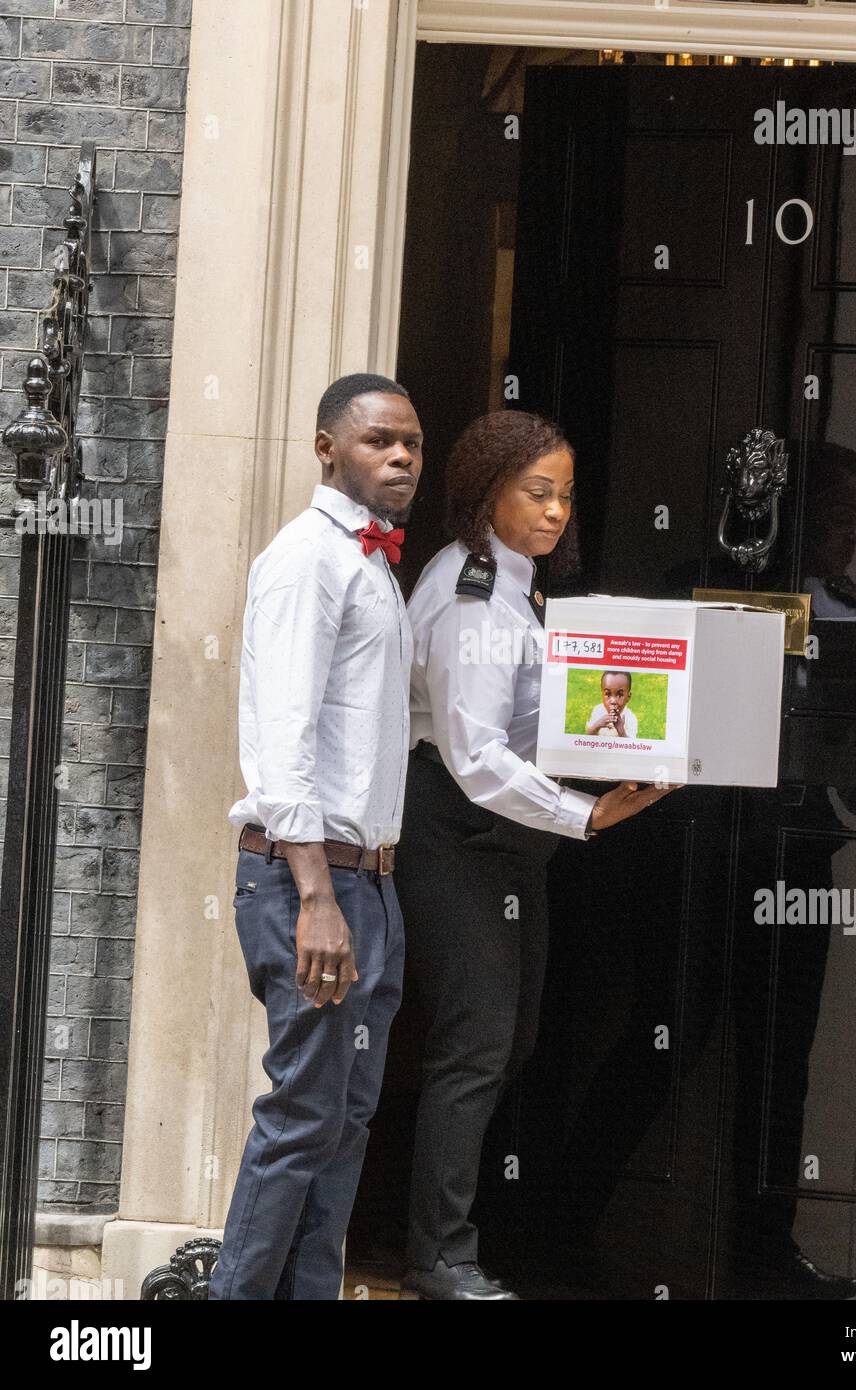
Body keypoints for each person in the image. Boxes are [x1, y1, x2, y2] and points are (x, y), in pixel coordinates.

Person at [395, 410, 674, 1301]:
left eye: (565, 494)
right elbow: (477, 759)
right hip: (460, 829)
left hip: (510, 837)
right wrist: (586, 818)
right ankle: (437, 1256)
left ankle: (457, 1231)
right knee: (477, 1047)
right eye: (537, 492)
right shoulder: (473, 594)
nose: (556, 512)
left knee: (508, 1044)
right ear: (488, 494)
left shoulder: (518, 588)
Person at [208, 372, 423, 1301]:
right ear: (328, 448)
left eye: (412, 441)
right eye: (380, 440)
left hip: (369, 883)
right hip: (314, 882)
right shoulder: (308, 558)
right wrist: (318, 898)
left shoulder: (374, 563)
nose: (403, 456)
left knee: (344, 1122)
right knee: (302, 1116)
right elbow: (281, 739)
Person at [585, 670, 638, 738]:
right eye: (608, 694)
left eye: (619, 695)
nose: (613, 701)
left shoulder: (630, 718)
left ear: (628, 697)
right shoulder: (598, 710)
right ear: (602, 695)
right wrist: (597, 725)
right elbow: (587, 735)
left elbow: (631, 746)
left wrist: (621, 731)